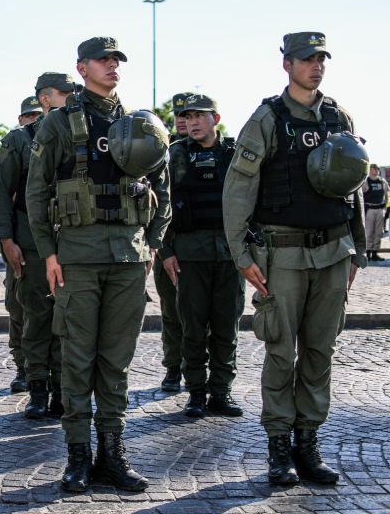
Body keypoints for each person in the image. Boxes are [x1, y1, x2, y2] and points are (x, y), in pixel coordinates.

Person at [26, 37, 171, 493]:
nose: (111, 67)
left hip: (128, 258)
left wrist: (150, 244)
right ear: (81, 68)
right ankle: (77, 456)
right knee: (76, 358)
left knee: (116, 361)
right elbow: (36, 192)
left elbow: (164, 192)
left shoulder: (142, 125)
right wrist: (49, 252)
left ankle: (113, 453)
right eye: (102, 61)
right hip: (77, 257)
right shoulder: (58, 124)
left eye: (116, 61)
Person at [223, 32, 367, 485]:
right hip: (281, 254)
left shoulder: (337, 116)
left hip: (333, 252)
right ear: (287, 64)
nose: (316, 66)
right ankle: (279, 447)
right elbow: (238, 188)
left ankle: (309, 443)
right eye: (307, 59)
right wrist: (241, 253)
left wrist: (358, 250)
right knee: (282, 352)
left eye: (321, 58)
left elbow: (353, 181)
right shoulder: (267, 119)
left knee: (320, 351)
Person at [0, 75, 72, 417]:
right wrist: (7, 241)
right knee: (37, 318)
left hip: (73, 243)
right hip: (31, 243)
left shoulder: (81, 134)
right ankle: (38, 387)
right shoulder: (19, 140)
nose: (71, 98)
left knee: (68, 321)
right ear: (45, 99)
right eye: (64, 94)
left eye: (74, 93)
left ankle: (62, 389)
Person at [160, 94, 245, 417]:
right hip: (189, 254)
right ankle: (196, 392)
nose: (192, 122)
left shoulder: (234, 155)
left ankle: (221, 392)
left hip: (230, 254)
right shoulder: (174, 156)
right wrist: (166, 251)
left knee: (226, 328)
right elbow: (161, 205)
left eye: (199, 116)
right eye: (187, 116)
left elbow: (252, 201)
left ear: (216, 119)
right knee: (192, 328)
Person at [0, 95, 43, 394]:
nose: (34, 121)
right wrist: (10, 199)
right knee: (18, 306)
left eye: (38, 115)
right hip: (17, 239)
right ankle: (23, 366)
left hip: (47, 241)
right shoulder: (12, 147)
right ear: (21, 120)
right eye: (29, 116)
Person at [154, 91, 195, 392]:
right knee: (171, 312)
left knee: (200, 314)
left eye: (190, 115)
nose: (183, 120)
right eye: (180, 114)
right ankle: (173, 368)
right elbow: (155, 205)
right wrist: (163, 249)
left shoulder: (215, 149)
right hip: (168, 242)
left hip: (199, 244)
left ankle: (198, 372)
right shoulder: (158, 150)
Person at [362, 164, 388, 261]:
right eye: (374, 169)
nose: (376, 170)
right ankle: (368, 253)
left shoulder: (382, 181)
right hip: (370, 209)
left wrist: (384, 206)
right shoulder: (366, 181)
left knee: (378, 232)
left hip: (379, 209)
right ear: (370, 169)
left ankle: (375, 252)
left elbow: (386, 194)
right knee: (369, 232)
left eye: (377, 169)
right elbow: (362, 195)